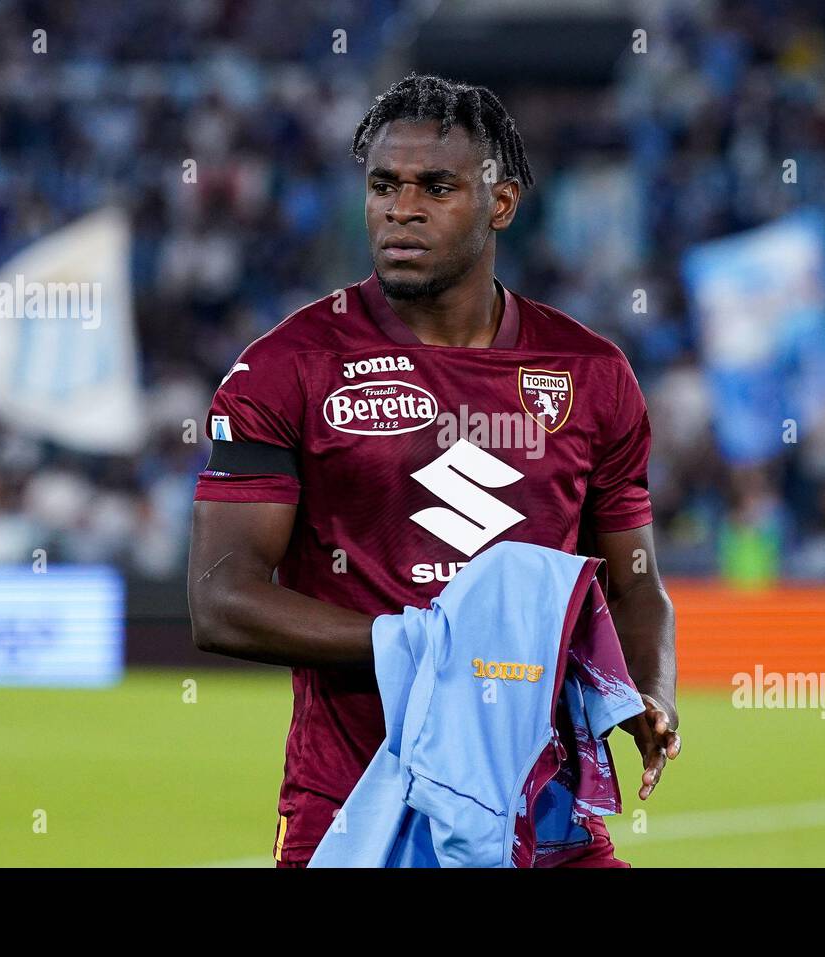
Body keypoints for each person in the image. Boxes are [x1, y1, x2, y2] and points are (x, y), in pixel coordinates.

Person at [188, 73, 680, 867]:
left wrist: (648, 692)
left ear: (503, 204)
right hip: (358, 808)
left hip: (539, 806)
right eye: (384, 185)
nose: (400, 209)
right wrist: (422, 643)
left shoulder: (591, 374)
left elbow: (635, 583)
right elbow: (219, 599)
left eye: (436, 187)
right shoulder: (287, 368)